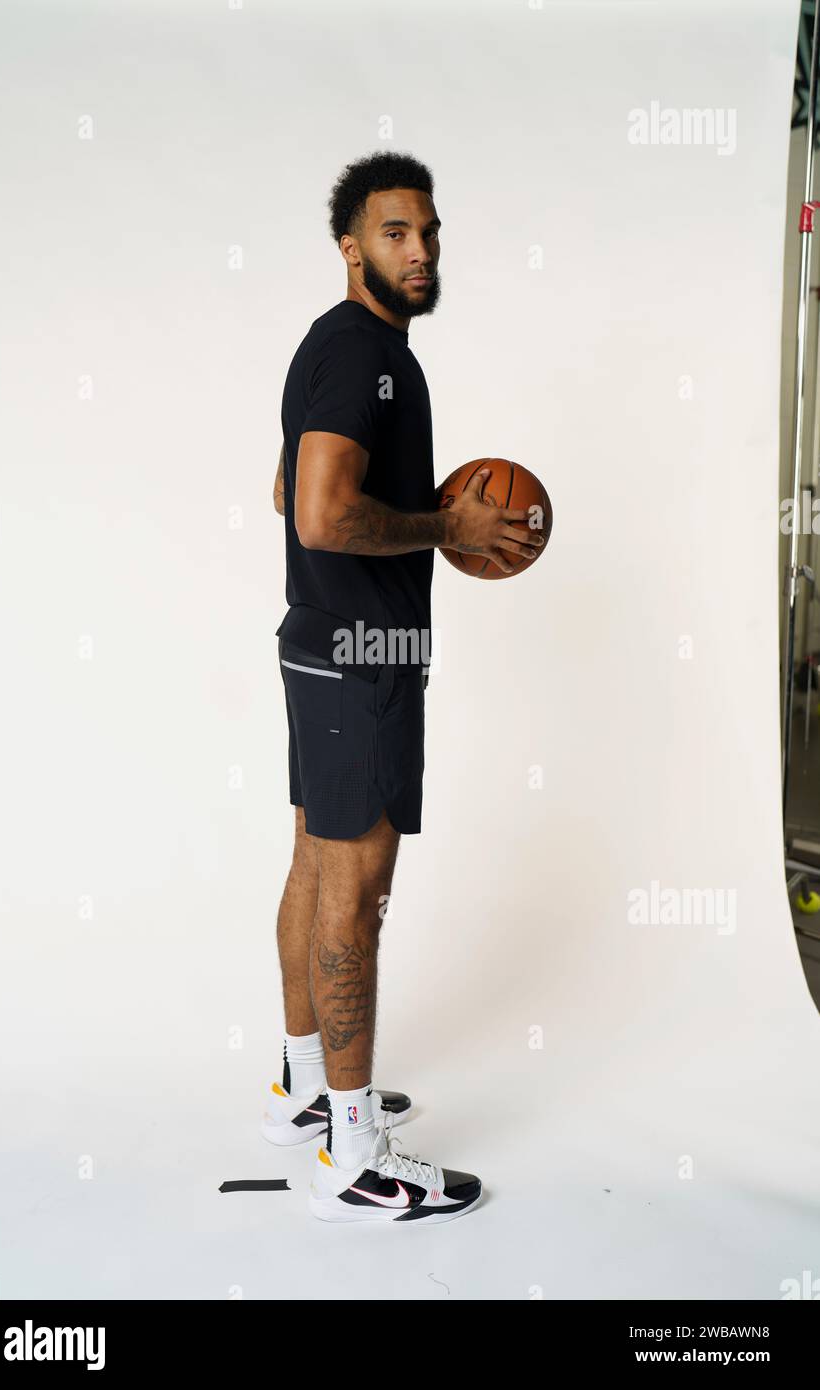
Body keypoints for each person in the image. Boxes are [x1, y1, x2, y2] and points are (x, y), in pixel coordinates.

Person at [261, 151, 540, 1223]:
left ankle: (302, 1087)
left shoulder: (338, 352)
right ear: (349, 246)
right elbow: (320, 514)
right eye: (393, 233)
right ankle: (353, 1146)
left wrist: (404, 509)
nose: (418, 250)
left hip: (318, 645)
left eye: (427, 232)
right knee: (355, 889)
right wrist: (446, 527)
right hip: (358, 655)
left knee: (316, 864)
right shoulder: (359, 352)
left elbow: (288, 483)